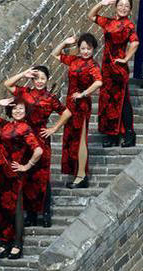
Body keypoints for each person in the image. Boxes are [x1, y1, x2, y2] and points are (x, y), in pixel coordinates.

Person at [3, 66, 63, 227]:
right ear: (32, 80)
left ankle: (45, 212)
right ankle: (31, 214)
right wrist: (23, 73)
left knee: (42, 177)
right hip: (24, 139)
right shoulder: (25, 93)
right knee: (28, 176)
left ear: (47, 80)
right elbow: (7, 84)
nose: (39, 81)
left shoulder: (50, 98)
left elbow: (66, 112)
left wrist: (54, 128)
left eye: (43, 78)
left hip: (41, 138)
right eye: (37, 78)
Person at [0, 97, 43, 259]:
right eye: (15, 108)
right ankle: (4, 241)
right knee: (1, 207)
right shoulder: (5, 124)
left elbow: (38, 150)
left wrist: (26, 166)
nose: (18, 111)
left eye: (21, 109)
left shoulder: (25, 128)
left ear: (25, 112)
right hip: (1, 171)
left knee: (15, 208)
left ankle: (17, 243)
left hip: (15, 172)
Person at [46, 34, 103, 188]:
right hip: (70, 104)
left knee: (81, 140)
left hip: (82, 106)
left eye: (88, 49)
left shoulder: (93, 65)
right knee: (71, 139)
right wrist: (64, 42)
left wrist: (84, 93)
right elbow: (55, 54)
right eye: (83, 48)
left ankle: (82, 176)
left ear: (93, 49)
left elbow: (99, 82)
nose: (85, 52)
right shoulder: (74, 60)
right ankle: (75, 171)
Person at [89, 0, 141, 148]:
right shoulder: (108, 22)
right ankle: (112, 134)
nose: (123, 8)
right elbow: (91, 16)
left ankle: (129, 134)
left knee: (123, 101)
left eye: (127, 6)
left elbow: (135, 43)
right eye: (120, 5)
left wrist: (125, 59)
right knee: (107, 101)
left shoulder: (129, 25)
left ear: (130, 10)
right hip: (106, 68)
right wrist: (101, 3)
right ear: (115, 7)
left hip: (118, 68)